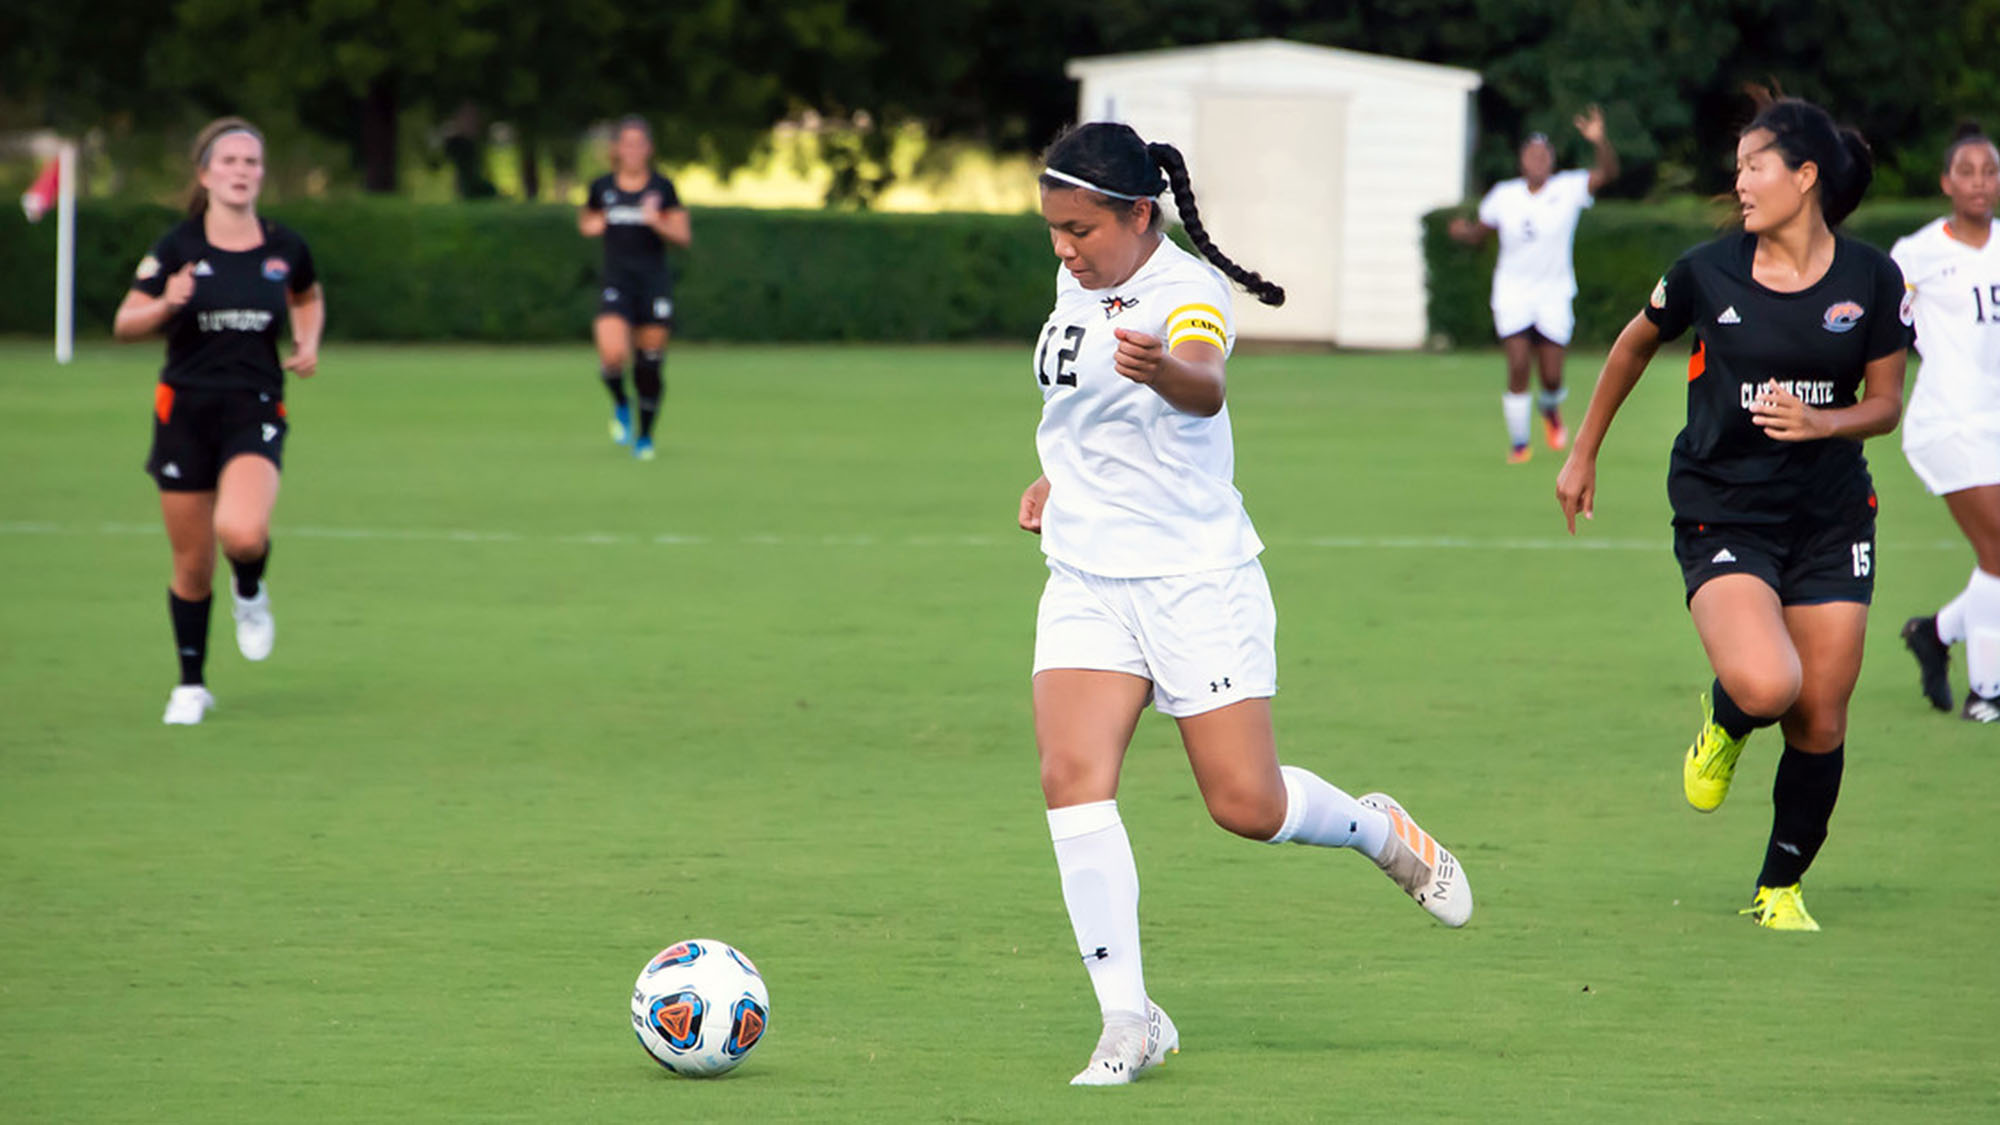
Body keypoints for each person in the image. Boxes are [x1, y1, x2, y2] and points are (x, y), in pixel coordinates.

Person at [1018, 121, 1472, 1087]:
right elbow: (1079, 410)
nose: (1063, 246)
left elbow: (1205, 382)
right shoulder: (1082, 277)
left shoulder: (1188, 295)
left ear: (1139, 214)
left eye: (1079, 228)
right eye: (1054, 228)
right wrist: (1056, 479)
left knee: (1247, 804)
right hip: (1088, 574)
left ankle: (1376, 828)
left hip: (1194, 581)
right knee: (1071, 778)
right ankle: (1128, 1019)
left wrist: (1168, 372)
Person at [1555, 94, 1910, 932]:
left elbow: (1887, 403)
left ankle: (1778, 886)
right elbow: (1634, 342)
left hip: (1830, 519)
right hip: (1724, 511)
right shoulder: (1704, 272)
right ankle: (1724, 717)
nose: (1740, 181)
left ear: (1806, 175)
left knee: (1820, 715)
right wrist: (1583, 449)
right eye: (1739, 165)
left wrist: (1826, 419)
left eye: (1756, 165)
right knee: (1768, 683)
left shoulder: (1871, 277)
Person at [112, 117, 324, 725]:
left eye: (251, 162)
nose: (241, 171)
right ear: (205, 175)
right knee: (193, 563)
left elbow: (307, 295)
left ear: (261, 175)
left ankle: (251, 590)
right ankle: (191, 684)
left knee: (243, 533)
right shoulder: (176, 247)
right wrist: (165, 303)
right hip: (183, 412)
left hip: (253, 407)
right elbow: (125, 323)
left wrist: (308, 340)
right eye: (228, 161)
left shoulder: (285, 249)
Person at [1891, 123, 2000, 723]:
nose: (1980, 182)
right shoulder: (1917, 253)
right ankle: (1987, 694)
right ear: (1945, 182)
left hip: (1995, 422)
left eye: (1989, 171)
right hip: (1948, 423)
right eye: (1967, 171)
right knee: (1999, 552)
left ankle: (1935, 633)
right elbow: (1880, 322)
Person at [1449, 107, 1619, 462]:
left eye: (1544, 155)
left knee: (1552, 375)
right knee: (1517, 365)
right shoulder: (1503, 195)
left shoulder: (1568, 188)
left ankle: (1550, 410)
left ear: (1552, 161)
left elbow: (1608, 173)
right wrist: (1463, 233)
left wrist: (1599, 140)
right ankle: (1520, 443)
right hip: (1512, 291)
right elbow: (1481, 234)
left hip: (1554, 292)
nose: (1537, 161)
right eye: (1531, 155)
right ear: (1521, 161)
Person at [579, 116, 690, 461]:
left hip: (653, 283)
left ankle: (645, 436)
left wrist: (656, 221)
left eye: (638, 144)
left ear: (648, 149)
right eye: (626, 144)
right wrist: (597, 224)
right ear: (616, 149)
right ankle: (621, 403)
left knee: (649, 364)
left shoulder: (662, 188)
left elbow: (683, 236)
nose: (632, 150)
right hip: (617, 282)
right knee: (612, 356)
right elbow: (588, 221)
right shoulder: (602, 187)